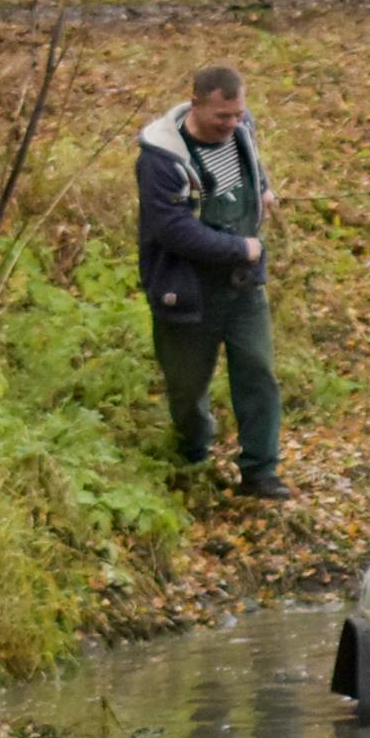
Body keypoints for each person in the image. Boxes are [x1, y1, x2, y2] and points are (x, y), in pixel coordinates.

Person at [135, 62, 284, 499]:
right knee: (187, 388)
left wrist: (265, 189)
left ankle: (260, 472)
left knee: (258, 373)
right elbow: (173, 230)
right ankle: (194, 458)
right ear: (196, 102)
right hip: (186, 290)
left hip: (243, 287)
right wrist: (242, 248)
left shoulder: (242, 127)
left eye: (238, 114)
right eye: (223, 116)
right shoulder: (160, 159)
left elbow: (253, 162)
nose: (232, 123)